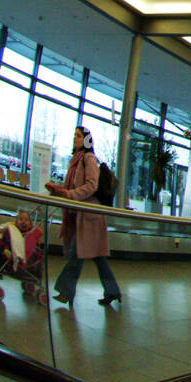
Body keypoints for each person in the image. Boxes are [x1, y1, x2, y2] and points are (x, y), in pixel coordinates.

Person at [49, 127, 121, 307]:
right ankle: (113, 291)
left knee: (77, 254)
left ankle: (65, 291)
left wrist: (70, 195)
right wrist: (58, 189)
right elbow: (73, 186)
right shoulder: (75, 161)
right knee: (97, 258)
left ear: (86, 140)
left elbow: (91, 186)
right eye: (74, 135)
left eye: (79, 136)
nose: (75, 138)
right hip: (82, 216)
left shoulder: (88, 159)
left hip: (89, 217)